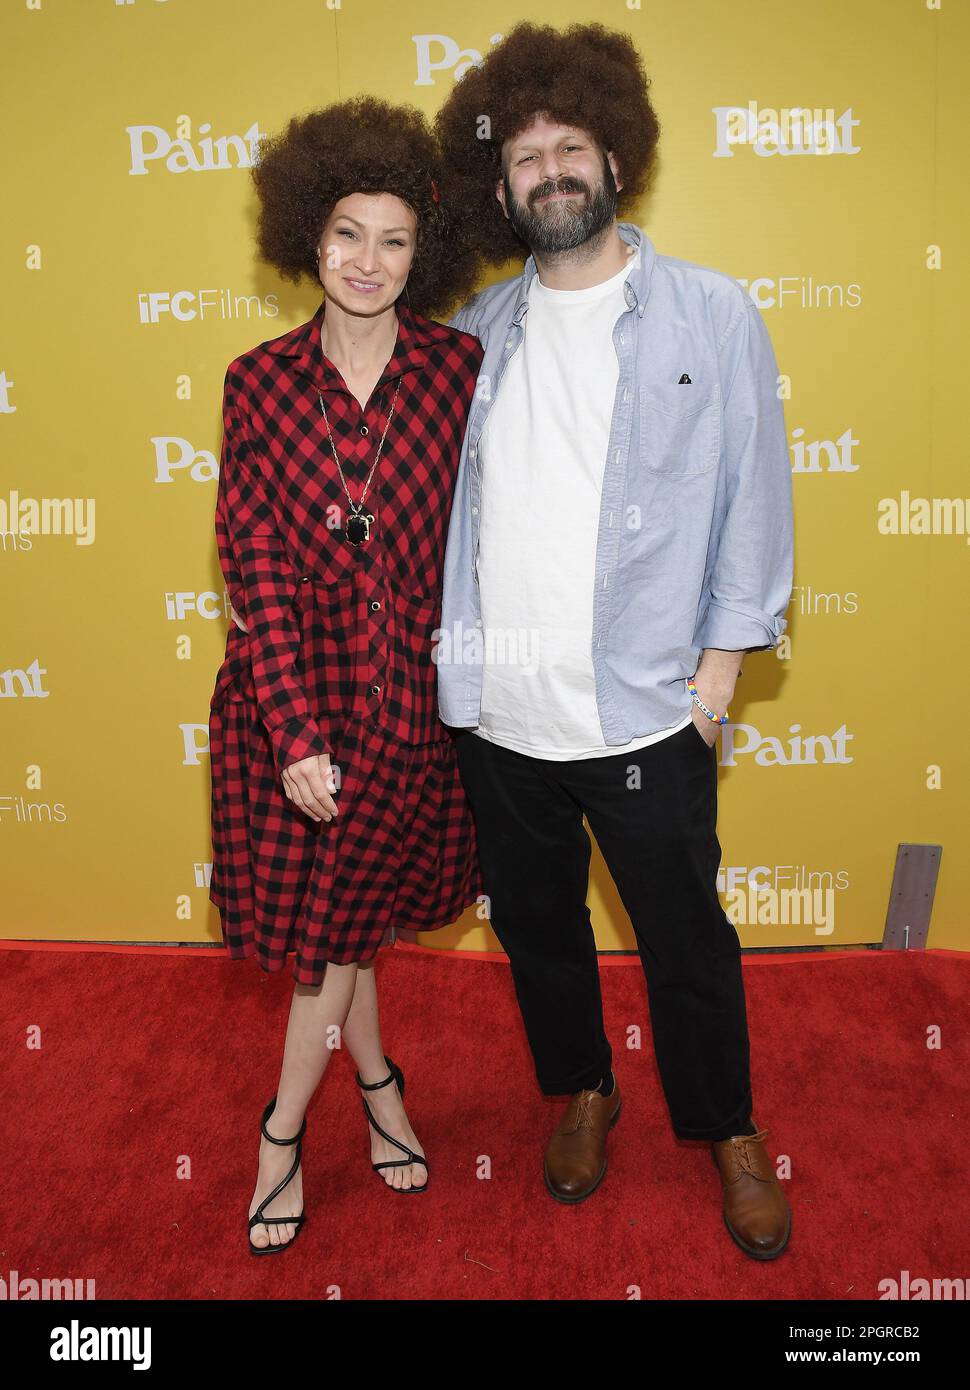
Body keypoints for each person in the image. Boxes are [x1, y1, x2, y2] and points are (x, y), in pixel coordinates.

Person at [434, 21, 795, 1258]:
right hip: (502, 715)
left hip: (648, 709)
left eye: (568, 148)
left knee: (683, 935)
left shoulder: (708, 312)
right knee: (538, 930)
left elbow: (754, 493)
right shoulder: (475, 333)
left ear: (615, 157)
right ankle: (582, 1089)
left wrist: (717, 677)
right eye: (525, 158)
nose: (549, 174)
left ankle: (725, 1125)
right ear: (500, 185)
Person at [208, 96, 484, 1254]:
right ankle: (290, 1126)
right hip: (296, 703)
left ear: (424, 253)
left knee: (346, 925)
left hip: (409, 706)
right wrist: (294, 731)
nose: (366, 263)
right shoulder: (257, 380)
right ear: (305, 240)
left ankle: (371, 1087)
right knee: (332, 931)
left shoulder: (460, 369)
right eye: (345, 235)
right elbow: (250, 560)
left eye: (392, 240)